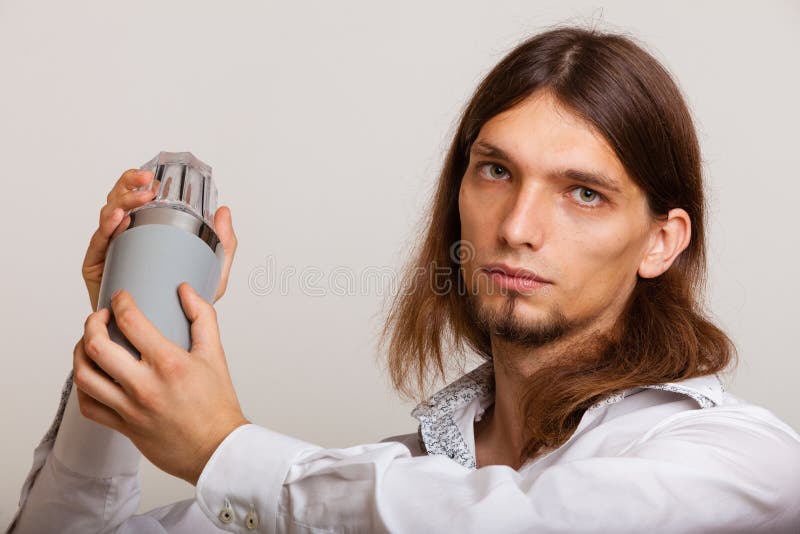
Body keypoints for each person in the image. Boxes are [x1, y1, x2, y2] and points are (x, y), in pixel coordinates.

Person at [8, 25, 800, 533]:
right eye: (495, 171)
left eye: (583, 192)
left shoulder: (737, 461)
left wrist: (223, 446)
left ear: (661, 242)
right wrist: (130, 328)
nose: (518, 226)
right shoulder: (368, 486)